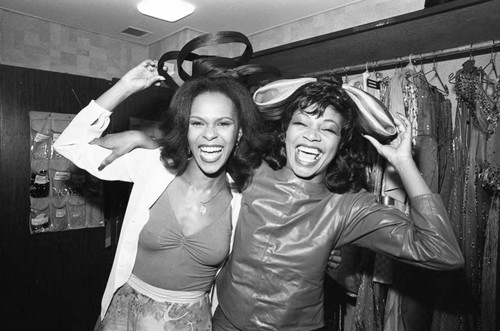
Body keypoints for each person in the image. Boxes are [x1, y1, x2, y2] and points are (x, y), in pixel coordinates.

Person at [92, 77, 464, 330]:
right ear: (284, 132)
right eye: (302, 123)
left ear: (340, 144)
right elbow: (207, 140)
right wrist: (141, 136)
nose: (313, 138)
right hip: (223, 324)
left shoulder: (350, 207)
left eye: (329, 129)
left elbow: (442, 252)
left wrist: (402, 161)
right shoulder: (250, 171)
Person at [54, 59, 263, 330]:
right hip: (124, 315)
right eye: (197, 123)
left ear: (239, 133)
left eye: (223, 123)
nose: (209, 135)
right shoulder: (153, 168)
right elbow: (70, 144)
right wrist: (126, 87)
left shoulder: (245, 200)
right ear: (185, 130)